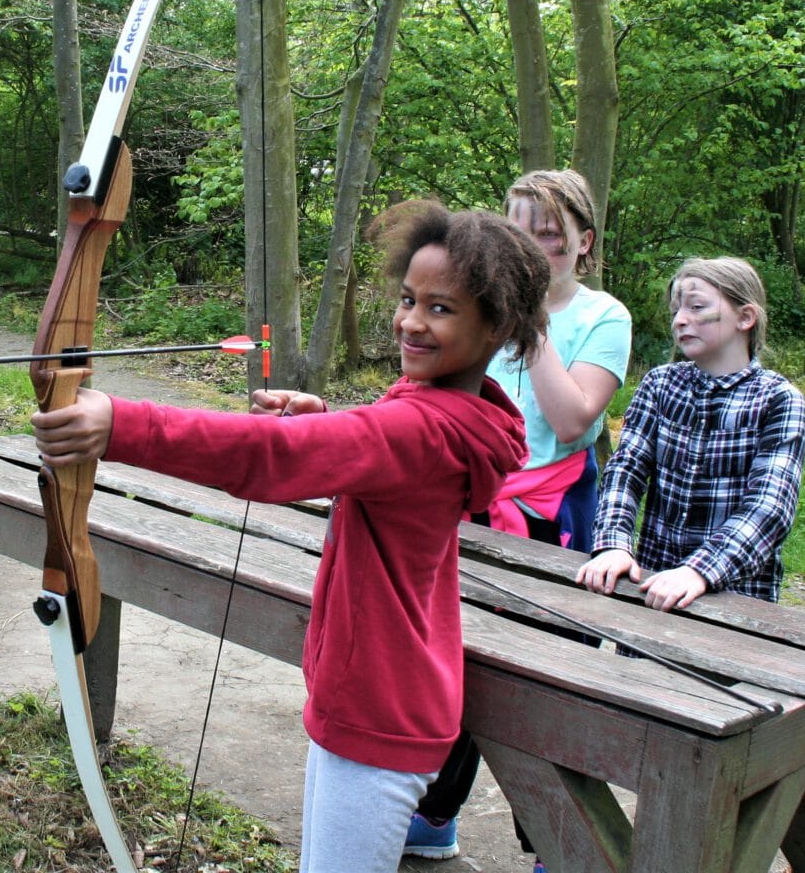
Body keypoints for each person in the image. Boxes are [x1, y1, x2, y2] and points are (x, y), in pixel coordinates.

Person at [33, 201, 551, 873]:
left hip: (378, 713)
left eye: (441, 309)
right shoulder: (456, 412)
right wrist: (327, 420)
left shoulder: (424, 429)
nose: (411, 321)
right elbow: (388, 446)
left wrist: (121, 426)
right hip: (387, 696)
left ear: (498, 327)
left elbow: (273, 457)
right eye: (406, 299)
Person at [405, 171, 631, 867]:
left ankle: (554, 845)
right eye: (517, 231)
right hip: (470, 500)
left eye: (549, 235)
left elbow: (571, 418)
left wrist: (530, 325)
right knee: (454, 659)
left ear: (582, 243)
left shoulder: (604, 317)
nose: (531, 248)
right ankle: (436, 814)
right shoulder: (474, 303)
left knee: (541, 683)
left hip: (551, 514)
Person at [576, 256, 805, 611]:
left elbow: (770, 508)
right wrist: (614, 544)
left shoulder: (778, 400)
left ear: (746, 318)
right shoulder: (660, 384)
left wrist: (698, 572)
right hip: (651, 590)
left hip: (736, 602)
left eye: (697, 307)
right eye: (676, 310)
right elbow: (625, 472)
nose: (680, 319)